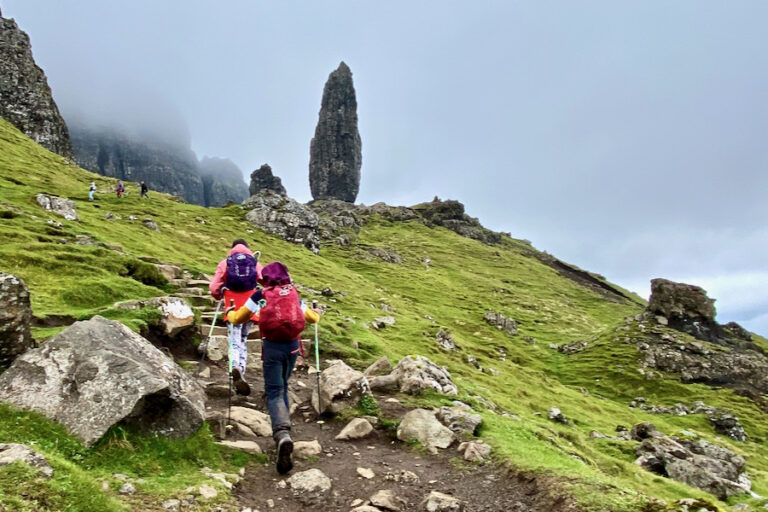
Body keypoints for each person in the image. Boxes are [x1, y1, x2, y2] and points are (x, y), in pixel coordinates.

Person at [226, 261, 320, 475]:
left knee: (275, 391)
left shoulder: (260, 295)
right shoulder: (294, 293)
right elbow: (313, 318)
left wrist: (230, 313)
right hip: (293, 348)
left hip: (271, 348)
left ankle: (282, 434)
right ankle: (285, 428)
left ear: (265, 279)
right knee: (283, 386)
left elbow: (239, 318)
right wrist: (318, 313)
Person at [209, 239, 263, 395]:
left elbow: (213, 287)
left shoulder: (226, 262)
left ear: (232, 248)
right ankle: (242, 372)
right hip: (250, 308)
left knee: (234, 340)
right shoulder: (253, 262)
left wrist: (219, 294)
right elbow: (265, 280)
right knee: (244, 339)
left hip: (232, 307)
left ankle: (235, 367)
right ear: (248, 248)